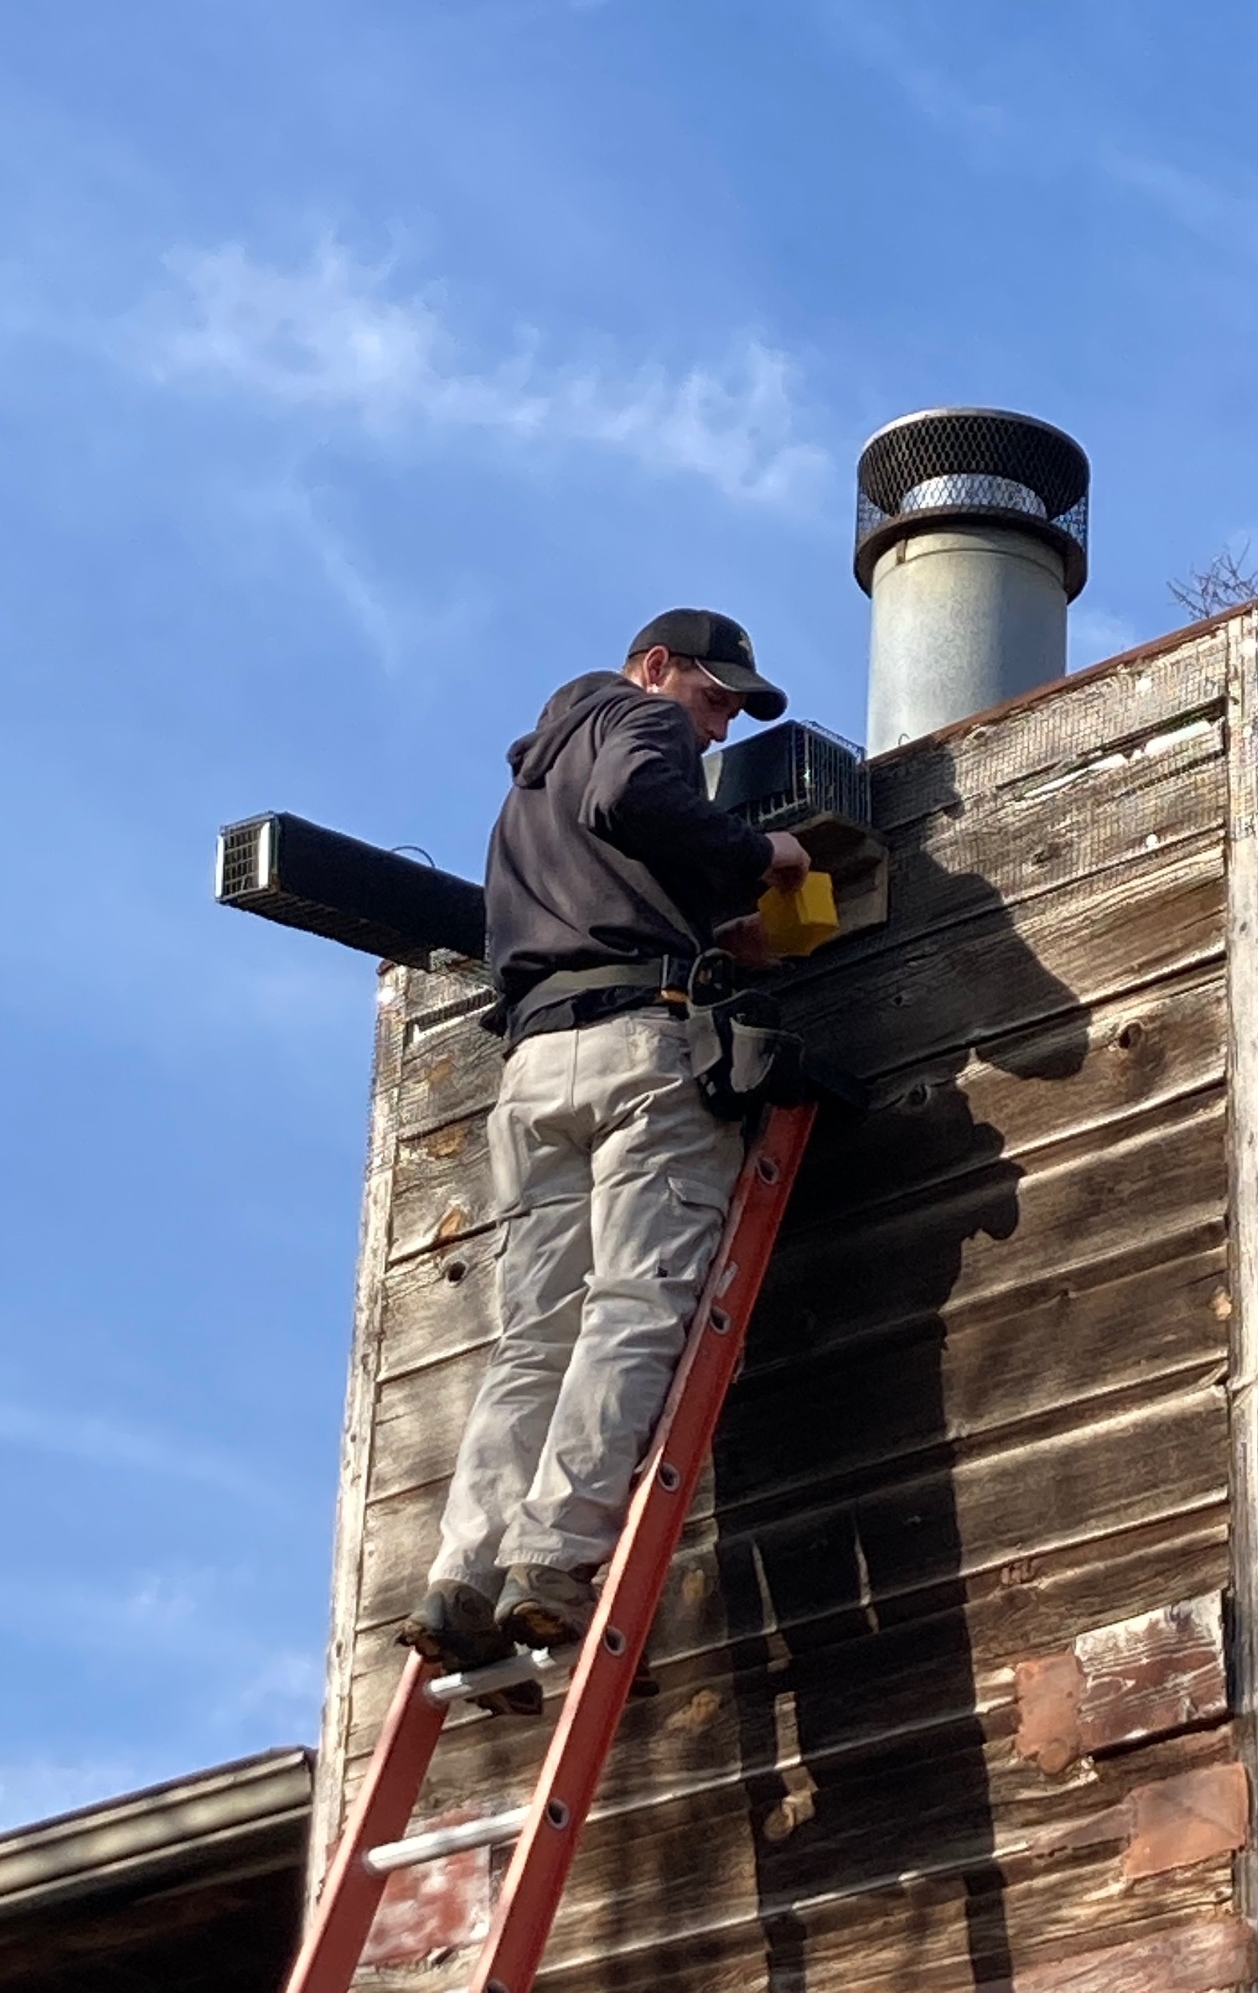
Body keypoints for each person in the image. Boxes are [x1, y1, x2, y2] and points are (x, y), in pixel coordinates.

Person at [398, 609, 809, 1710]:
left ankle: (459, 1579)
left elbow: (611, 856)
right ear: (655, 665)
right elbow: (637, 794)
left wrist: (714, 917)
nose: (717, 729)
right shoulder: (635, 721)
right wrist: (757, 853)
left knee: (534, 1336)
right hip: (637, 1047)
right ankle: (551, 1555)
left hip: (533, 1071)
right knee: (634, 1304)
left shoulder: (525, 796)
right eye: (713, 698)